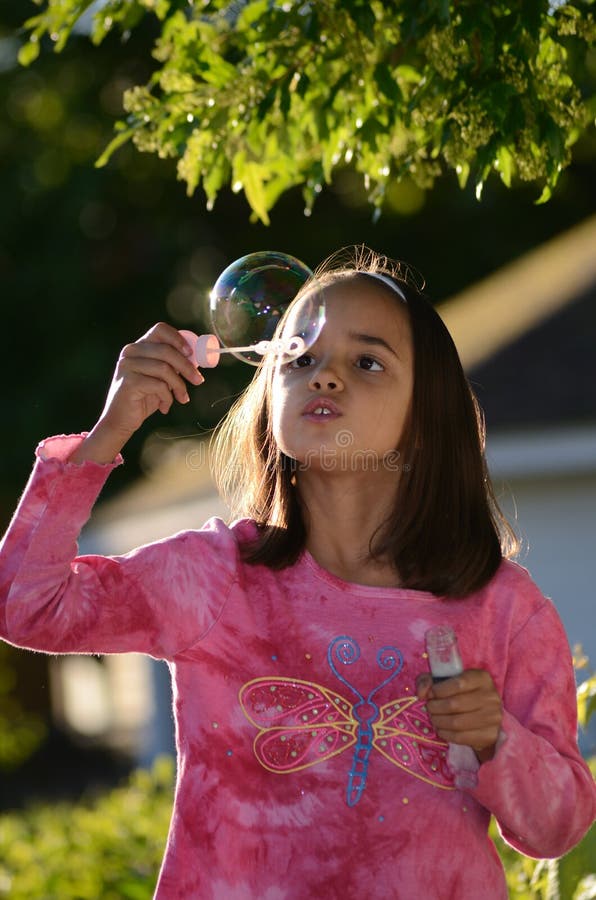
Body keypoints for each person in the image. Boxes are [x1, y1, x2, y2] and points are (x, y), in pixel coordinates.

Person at [0, 246, 594, 899]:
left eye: (367, 361)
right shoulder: (214, 577)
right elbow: (25, 603)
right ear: (267, 398)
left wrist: (495, 739)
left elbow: (558, 828)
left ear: (429, 417)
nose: (326, 376)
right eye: (300, 358)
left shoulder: (503, 608)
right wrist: (108, 432)